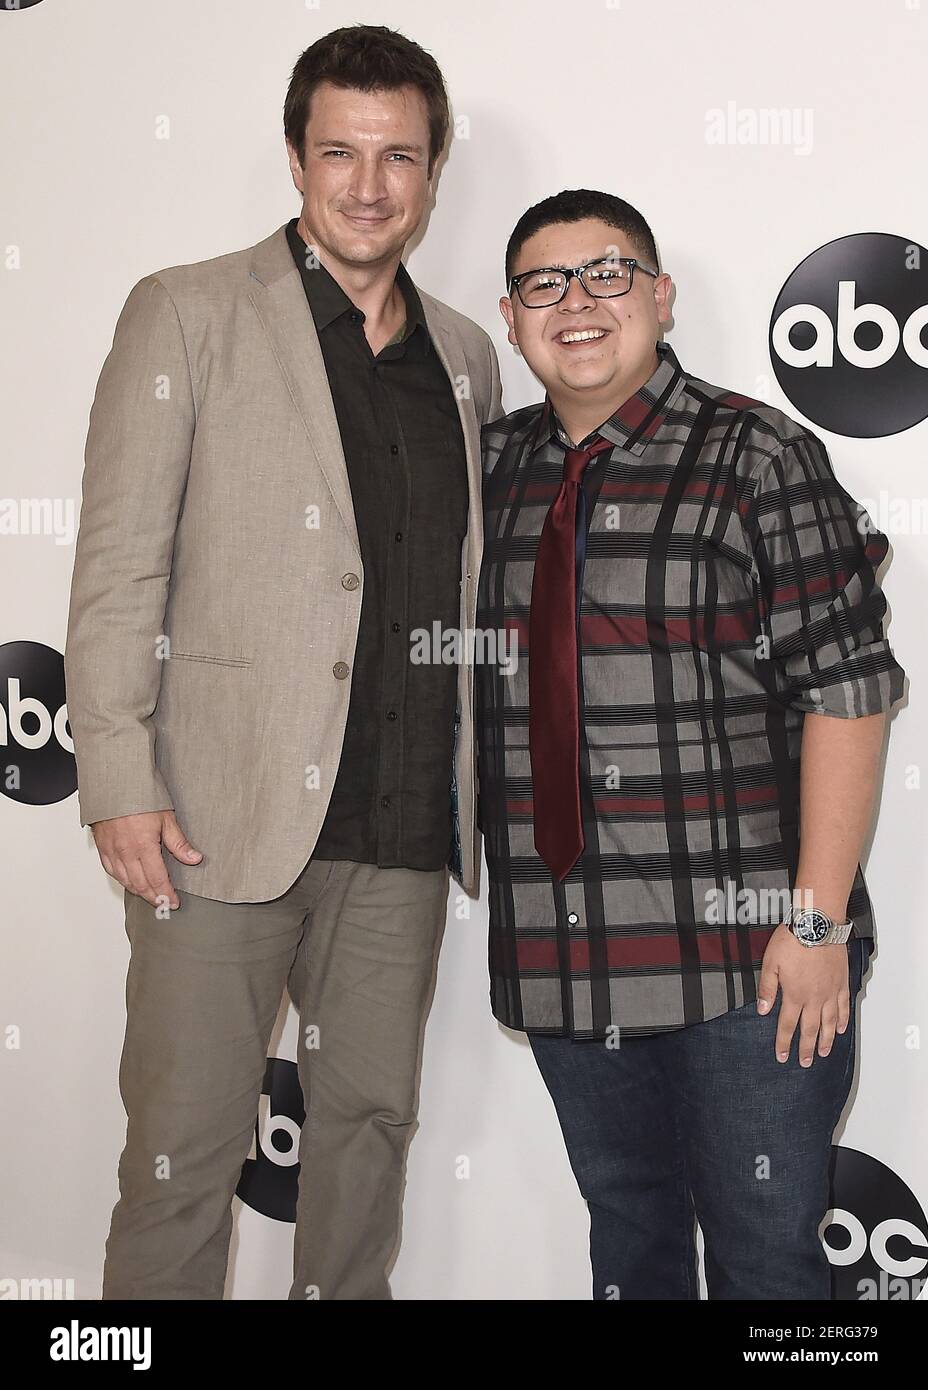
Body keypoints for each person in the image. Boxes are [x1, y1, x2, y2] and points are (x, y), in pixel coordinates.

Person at [64, 24, 501, 1301]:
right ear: (297, 160)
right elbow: (116, 569)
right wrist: (115, 773)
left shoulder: (467, 358)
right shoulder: (187, 311)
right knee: (181, 1154)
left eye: (399, 157)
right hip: (213, 821)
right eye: (340, 154)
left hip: (405, 829)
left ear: (432, 172)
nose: (369, 186)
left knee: (367, 1140)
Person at [475, 188, 905, 1299]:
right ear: (514, 317)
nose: (576, 301)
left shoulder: (756, 454)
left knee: (769, 1263)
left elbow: (849, 691)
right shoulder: (488, 475)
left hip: (749, 966)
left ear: (660, 299)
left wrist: (815, 922)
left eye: (607, 273)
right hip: (566, 958)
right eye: (545, 283)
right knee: (630, 1246)